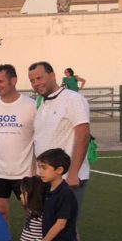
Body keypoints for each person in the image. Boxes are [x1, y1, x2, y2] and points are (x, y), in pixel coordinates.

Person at [28, 61, 91, 215]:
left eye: (39, 78)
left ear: (53, 76)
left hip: (67, 178)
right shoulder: (42, 104)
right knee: (50, 226)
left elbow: (83, 136)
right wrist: (36, 173)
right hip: (46, 178)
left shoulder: (72, 99)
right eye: (32, 80)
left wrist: (73, 173)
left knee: (66, 228)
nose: (36, 83)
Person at [0, 64, 36, 222]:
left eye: (0, 81)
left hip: (25, 173)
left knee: (34, 213)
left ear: (13, 80)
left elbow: (38, 136)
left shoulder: (31, 105)